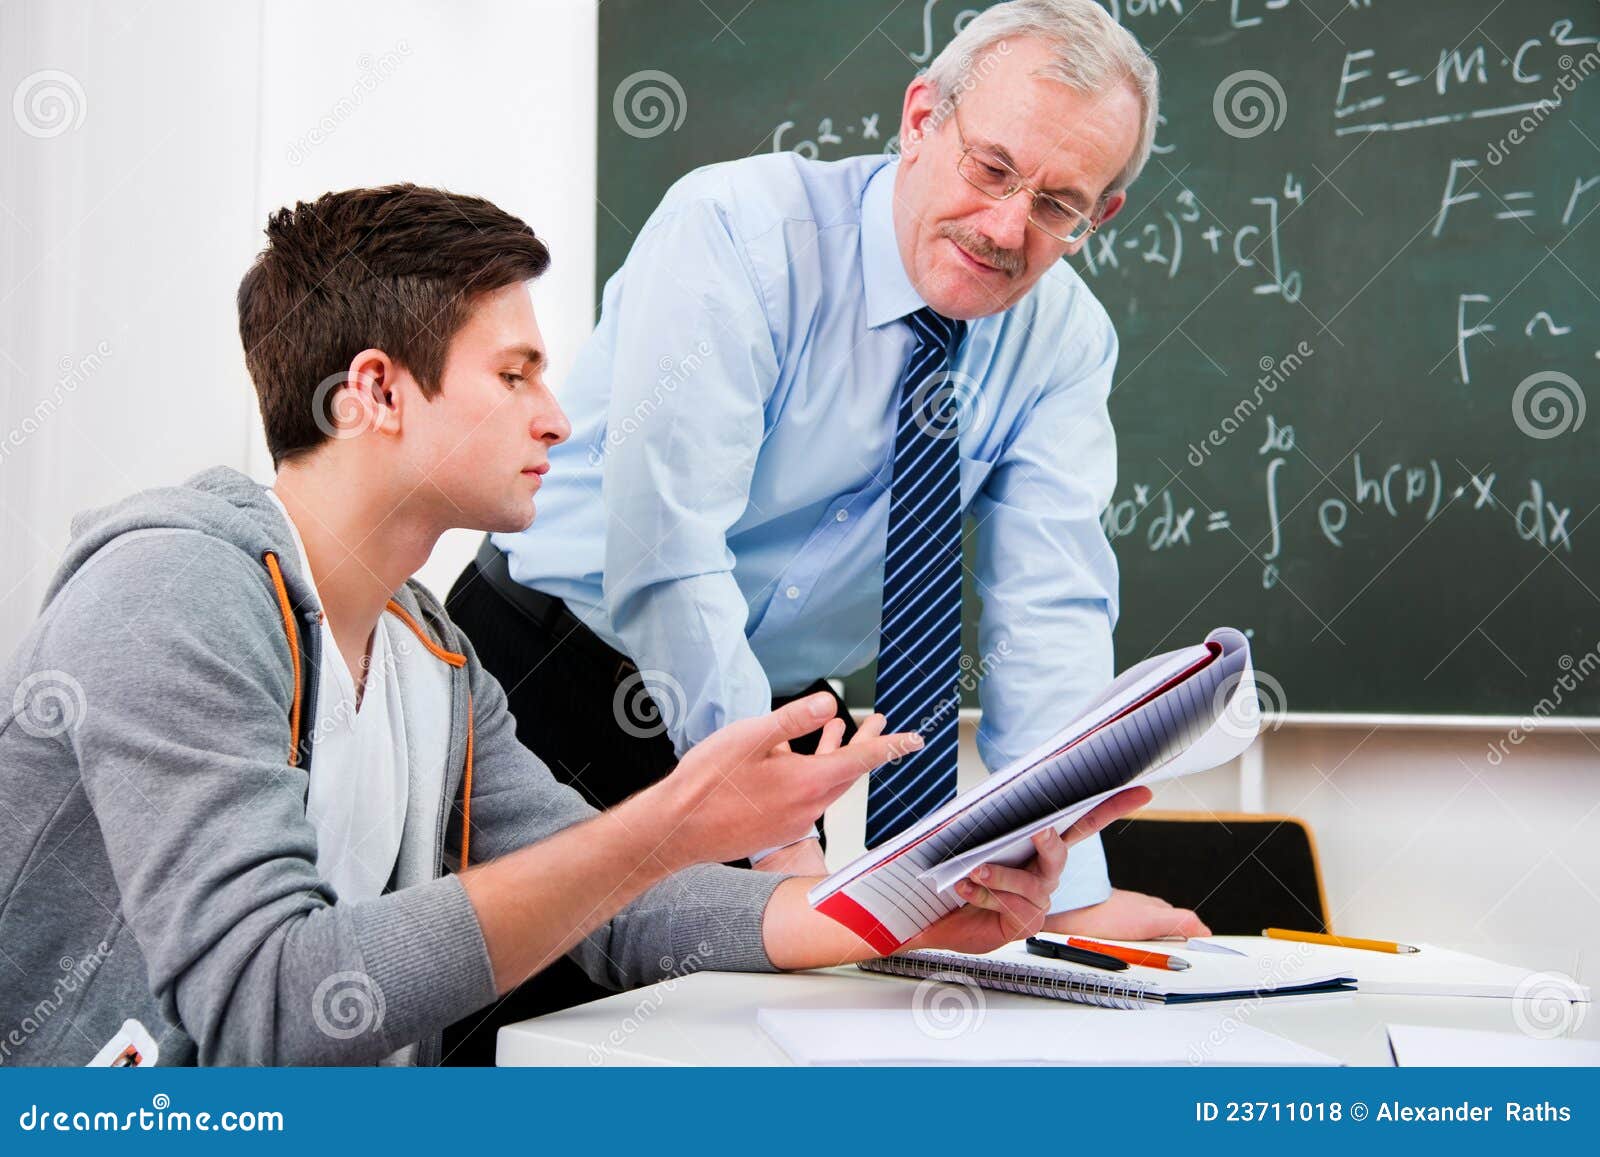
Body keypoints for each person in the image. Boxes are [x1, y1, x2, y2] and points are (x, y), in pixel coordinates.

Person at [0, 183, 1147, 1066]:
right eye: (515, 376)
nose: (556, 417)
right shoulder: (171, 592)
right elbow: (271, 1001)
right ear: (378, 390)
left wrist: (897, 912)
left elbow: (619, 910)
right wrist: (664, 823)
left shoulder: (434, 658)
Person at [450, 0, 1206, 950]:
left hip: (774, 721)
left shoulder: (1065, 341)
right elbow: (667, 548)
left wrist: (1060, 883)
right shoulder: (738, 231)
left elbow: (1049, 613)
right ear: (921, 117)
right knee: (509, 1016)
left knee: (745, 1035)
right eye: (992, 168)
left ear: (1102, 214)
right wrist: (777, 843)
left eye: (1058, 206)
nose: (1007, 229)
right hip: (550, 679)